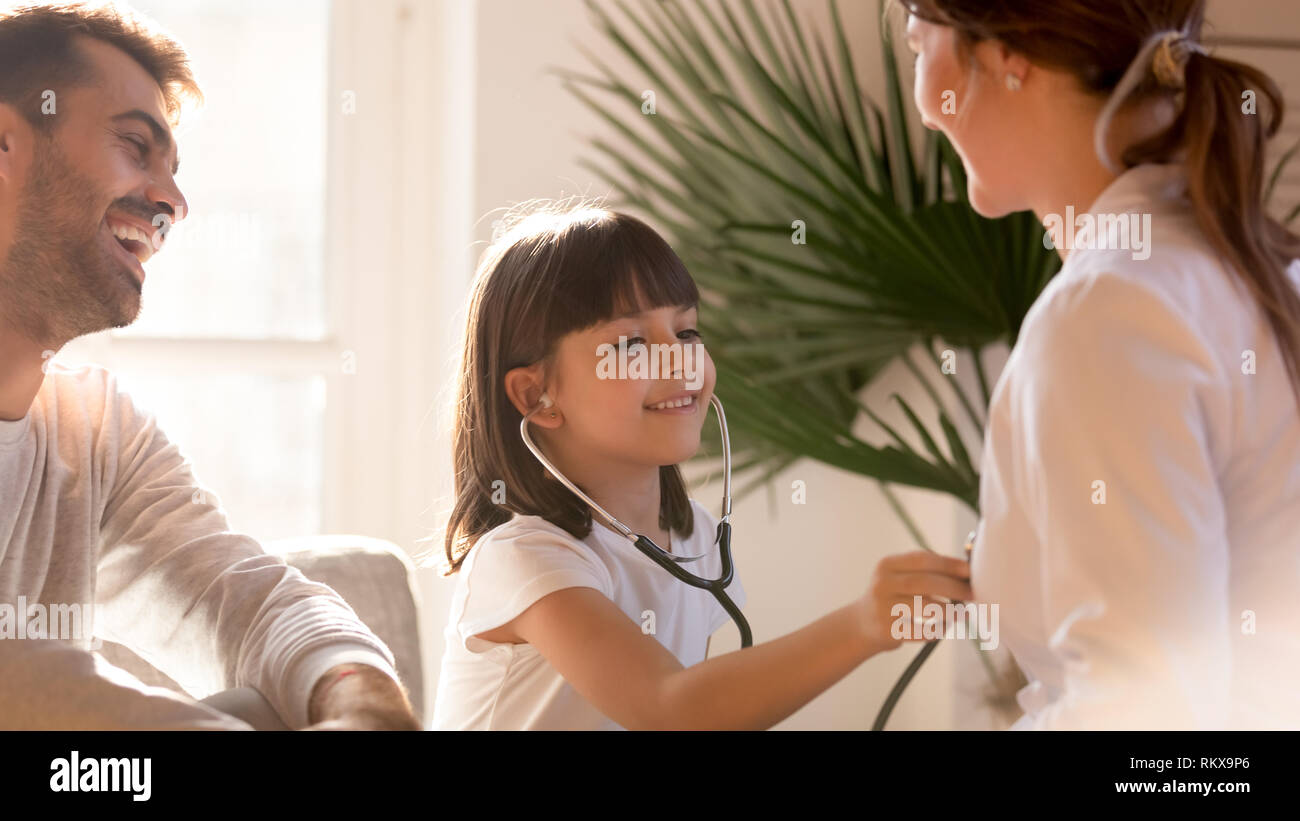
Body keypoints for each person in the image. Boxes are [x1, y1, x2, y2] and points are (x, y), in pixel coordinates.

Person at [0, 2, 419, 730]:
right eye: (136, 145)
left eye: (173, 169)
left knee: (267, 702)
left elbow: (254, 605)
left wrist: (366, 709)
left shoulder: (93, 430)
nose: (174, 202)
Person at [903, 0, 1300, 728]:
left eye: (918, 46)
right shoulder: (1260, 270)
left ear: (1002, 54)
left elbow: (1152, 730)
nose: (926, 110)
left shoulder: (1106, 317)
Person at [430, 203, 974, 730]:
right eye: (631, 343)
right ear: (538, 395)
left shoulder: (699, 542)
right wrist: (863, 622)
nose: (681, 357)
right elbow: (674, 709)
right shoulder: (523, 557)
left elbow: (711, 711)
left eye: (687, 332)